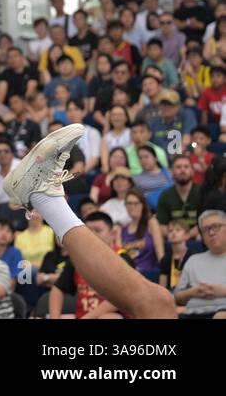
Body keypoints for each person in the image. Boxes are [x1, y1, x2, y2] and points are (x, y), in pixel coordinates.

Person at [9, 124, 175, 318]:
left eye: (98, 230)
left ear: (113, 233)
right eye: (91, 229)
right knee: (162, 299)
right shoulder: (74, 262)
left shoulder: (122, 255)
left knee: (154, 304)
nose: (93, 234)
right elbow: (57, 290)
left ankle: (42, 197)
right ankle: (43, 197)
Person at [172, 209, 226, 318]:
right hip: (192, 313)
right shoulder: (193, 260)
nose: (211, 232)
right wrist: (192, 292)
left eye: (216, 227)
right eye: (205, 230)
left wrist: (222, 291)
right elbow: (177, 298)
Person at [117, 192, 163, 282]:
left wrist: (164, 273)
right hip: (127, 275)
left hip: (148, 274)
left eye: (136, 203)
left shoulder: (151, 223)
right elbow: (118, 255)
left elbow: (160, 252)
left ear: (143, 205)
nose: (132, 207)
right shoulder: (122, 229)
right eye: (129, 203)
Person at [156, 154, 204, 232]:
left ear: (192, 171)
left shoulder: (203, 192)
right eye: (178, 167)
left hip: (199, 238)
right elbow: (162, 225)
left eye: (186, 167)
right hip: (174, 238)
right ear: (172, 172)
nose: (182, 170)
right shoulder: (165, 196)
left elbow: (206, 221)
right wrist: (175, 236)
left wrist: (188, 236)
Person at [159, 218, 200, 293]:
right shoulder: (165, 258)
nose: (173, 233)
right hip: (169, 297)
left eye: (178, 230)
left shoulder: (194, 257)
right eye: (170, 231)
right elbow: (162, 287)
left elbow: (196, 284)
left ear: (187, 235)